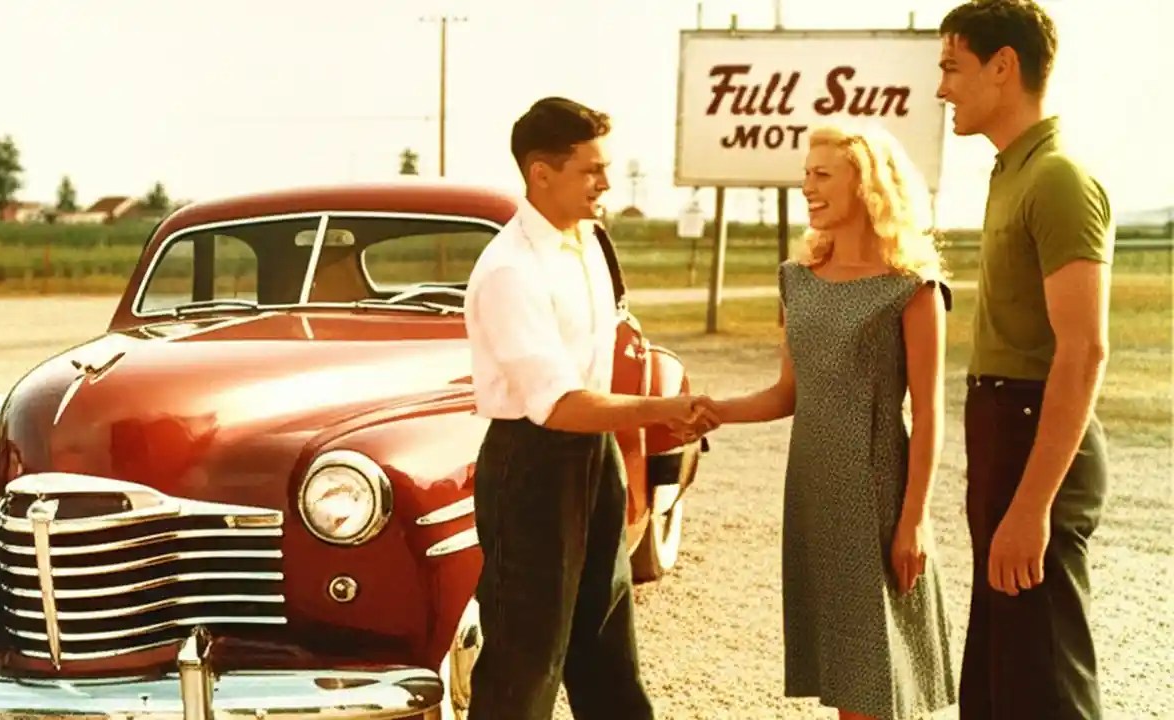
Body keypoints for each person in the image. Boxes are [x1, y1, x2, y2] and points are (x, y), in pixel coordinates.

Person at [461, 96, 717, 720]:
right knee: (527, 657)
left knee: (605, 637)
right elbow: (556, 406)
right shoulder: (509, 270)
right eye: (591, 170)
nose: (607, 182)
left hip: (594, 454)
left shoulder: (593, 242)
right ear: (539, 173)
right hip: (533, 463)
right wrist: (662, 408)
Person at [708, 123, 957, 720]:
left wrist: (915, 519)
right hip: (813, 491)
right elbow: (788, 393)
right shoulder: (796, 280)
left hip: (876, 495)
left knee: (876, 679)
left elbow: (929, 413)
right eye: (805, 176)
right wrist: (713, 412)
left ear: (867, 186)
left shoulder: (913, 289)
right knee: (847, 677)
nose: (808, 188)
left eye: (822, 175)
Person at [936, 2, 1113, 718]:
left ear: (1002, 67)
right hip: (1003, 427)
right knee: (1002, 679)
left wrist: (1032, 505)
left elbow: (1085, 348)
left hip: (1038, 434)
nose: (942, 88)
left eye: (953, 67)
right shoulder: (1013, 170)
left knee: (1046, 684)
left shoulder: (1058, 178)